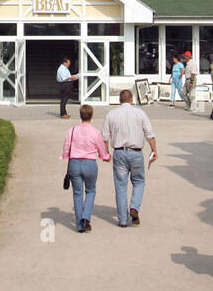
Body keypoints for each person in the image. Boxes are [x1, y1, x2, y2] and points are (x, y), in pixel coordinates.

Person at [100, 89, 157, 227]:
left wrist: (106, 153)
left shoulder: (111, 114)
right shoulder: (140, 113)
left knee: (121, 186)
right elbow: (150, 134)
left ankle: (123, 220)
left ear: (119, 100)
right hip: (136, 152)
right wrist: (154, 150)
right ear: (131, 100)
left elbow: (104, 137)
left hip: (119, 152)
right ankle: (134, 207)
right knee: (139, 181)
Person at [61, 104, 110, 233]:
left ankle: (79, 225)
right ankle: (86, 217)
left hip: (74, 163)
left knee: (77, 193)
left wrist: (65, 156)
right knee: (91, 191)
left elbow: (66, 148)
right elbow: (101, 148)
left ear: (80, 115)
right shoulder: (95, 132)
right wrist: (106, 156)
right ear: (92, 115)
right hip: (90, 163)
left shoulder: (71, 130)